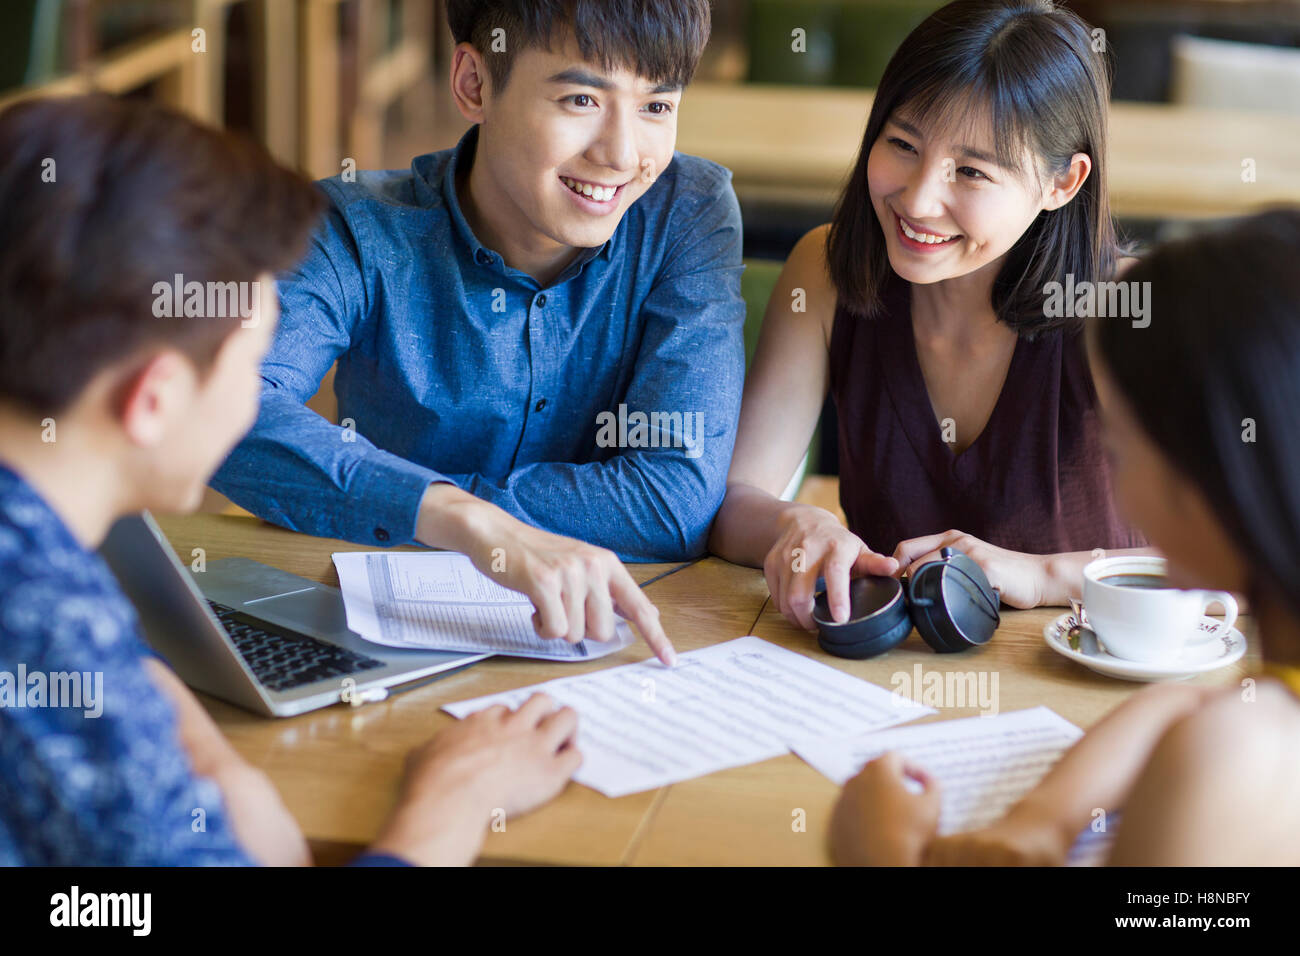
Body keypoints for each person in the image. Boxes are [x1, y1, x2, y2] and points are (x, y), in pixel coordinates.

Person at [0, 95, 583, 866]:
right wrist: (457, 799)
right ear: (155, 399)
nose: (260, 398)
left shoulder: (49, 565)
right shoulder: (50, 630)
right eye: (250, 366)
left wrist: (201, 758)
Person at [210, 0, 743, 656]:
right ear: (474, 84)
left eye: (656, 106)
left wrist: (413, 505)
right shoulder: (356, 230)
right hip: (378, 641)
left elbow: (672, 499)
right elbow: (222, 410)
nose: (622, 154)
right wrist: (457, 521)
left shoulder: (687, 214)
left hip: (612, 644)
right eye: (580, 99)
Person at [830, 208, 1300, 866]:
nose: (1122, 490)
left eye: (1122, 452)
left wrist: (879, 855)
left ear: (1216, 475)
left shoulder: (1228, 760)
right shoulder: (1259, 705)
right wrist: (1037, 827)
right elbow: (1178, 703)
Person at [709, 0, 1150, 633]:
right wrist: (798, 522)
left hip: (1078, 682)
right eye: (902, 144)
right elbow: (732, 503)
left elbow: (1252, 556)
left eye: (970, 171)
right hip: (878, 684)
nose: (917, 199)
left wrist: (1040, 574)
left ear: (1063, 183)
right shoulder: (825, 271)